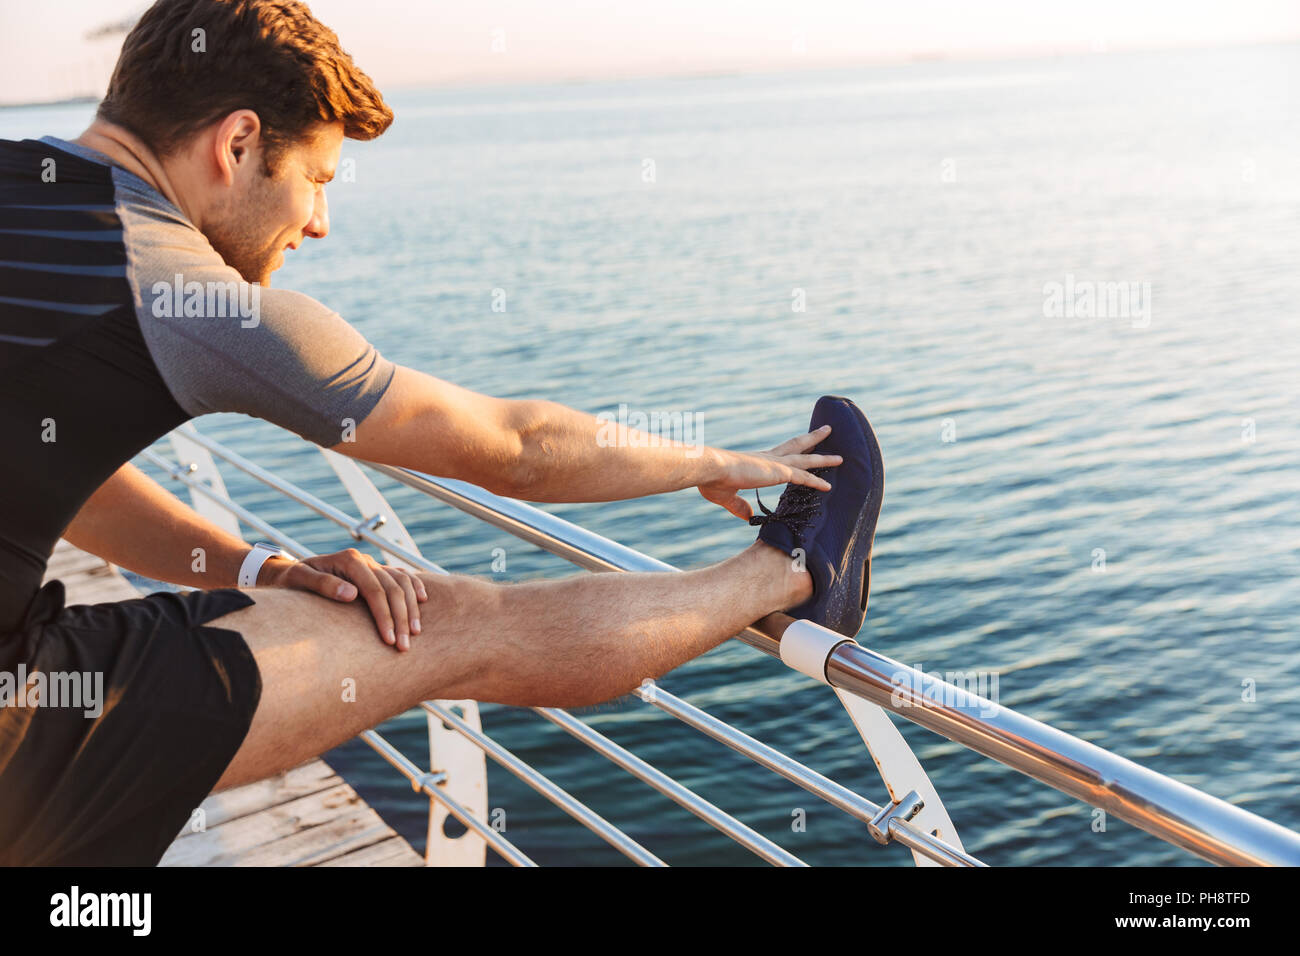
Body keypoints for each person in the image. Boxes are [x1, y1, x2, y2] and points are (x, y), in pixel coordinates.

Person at [0, 0, 882, 866]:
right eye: (318, 179)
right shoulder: (181, 294)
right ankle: (796, 572)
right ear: (236, 145)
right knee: (446, 621)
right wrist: (716, 461)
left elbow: (45, 466)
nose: (319, 223)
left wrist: (257, 569)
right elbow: (511, 448)